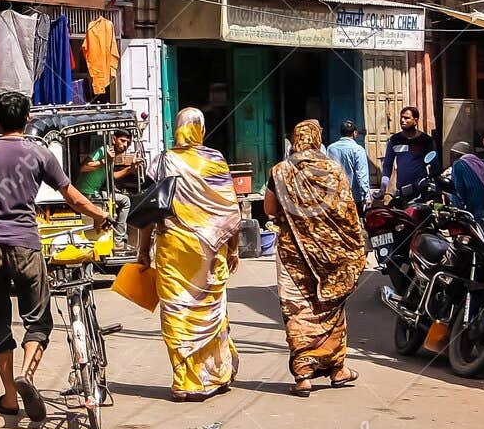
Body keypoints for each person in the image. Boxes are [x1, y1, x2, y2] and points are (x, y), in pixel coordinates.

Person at [0, 91, 108, 421]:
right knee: (38, 318)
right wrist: (99, 215)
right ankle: (27, 376)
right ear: (28, 119)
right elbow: (72, 196)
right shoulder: (40, 153)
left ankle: (10, 397)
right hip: (25, 243)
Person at [137, 107, 242, 401]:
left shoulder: (162, 162)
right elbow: (229, 210)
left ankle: (184, 381)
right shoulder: (215, 161)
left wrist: (143, 251)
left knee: (177, 313)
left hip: (172, 250)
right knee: (210, 312)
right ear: (201, 129)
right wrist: (233, 250)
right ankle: (212, 376)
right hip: (209, 252)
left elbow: (151, 209)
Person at [264, 120, 367, 396]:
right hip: (331, 254)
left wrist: (295, 216)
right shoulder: (333, 170)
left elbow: (270, 209)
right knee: (330, 306)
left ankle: (303, 376)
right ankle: (337, 369)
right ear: (318, 139)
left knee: (298, 309)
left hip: (292, 254)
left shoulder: (280, 171)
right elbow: (347, 212)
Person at [381, 105, 437, 200]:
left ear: (415, 120)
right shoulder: (394, 140)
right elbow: (387, 165)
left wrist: (436, 190)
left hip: (422, 190)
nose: (402, 120)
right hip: (403, 191)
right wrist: (383, 188)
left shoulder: (426, 140)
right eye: (401, 118)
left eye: (406, 118)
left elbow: (434, 165)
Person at [449, 143, 484, 225]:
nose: (450, 158)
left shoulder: (458, 164)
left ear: (457, 155)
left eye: (452, 155)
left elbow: (457, 190)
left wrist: (456, 210)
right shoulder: (482, 163)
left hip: (475, 207)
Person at [324, 120, 371, 210]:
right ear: (355, 133)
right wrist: (366, 195)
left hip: (336, 195)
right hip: (353, 197)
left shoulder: (330, 148)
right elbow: (361, 175)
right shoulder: (358, 150)